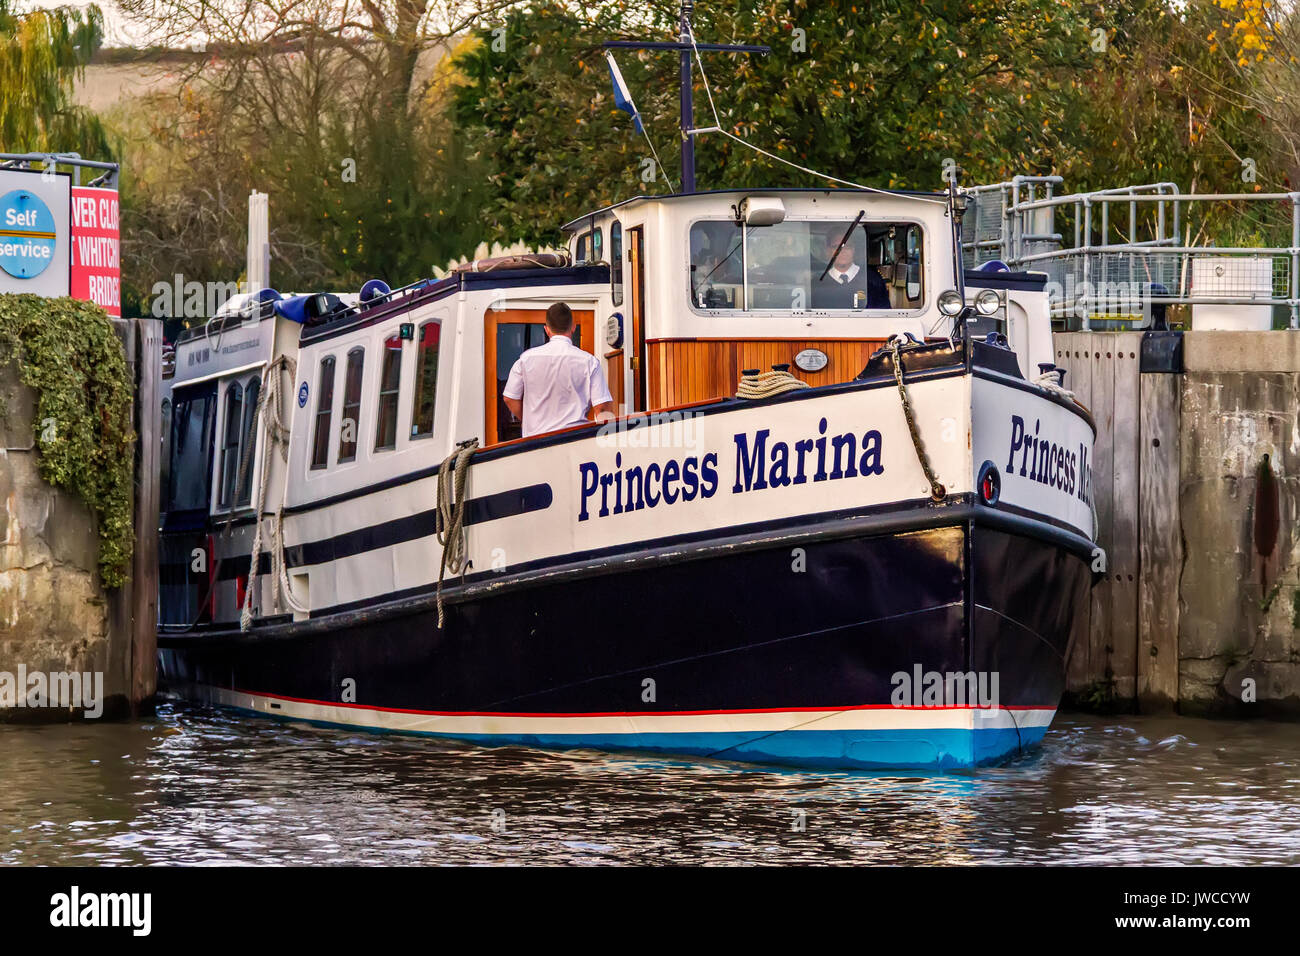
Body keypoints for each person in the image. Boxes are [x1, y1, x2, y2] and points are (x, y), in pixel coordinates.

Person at [502, 303, 615, 438]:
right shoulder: (590, 362)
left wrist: (529, 421)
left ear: (546, 329)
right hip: (575, 440)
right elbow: (602, 408)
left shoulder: (525, 360)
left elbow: (510, 398)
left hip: (535, 441)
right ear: (573, 327)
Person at [811, 228, 891, 310]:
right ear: (828, 251)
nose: (842, 251)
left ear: (854, 249)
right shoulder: (818, 283)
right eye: (836, 247)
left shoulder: (872, 279)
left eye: (847, 246)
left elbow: (883, 313)